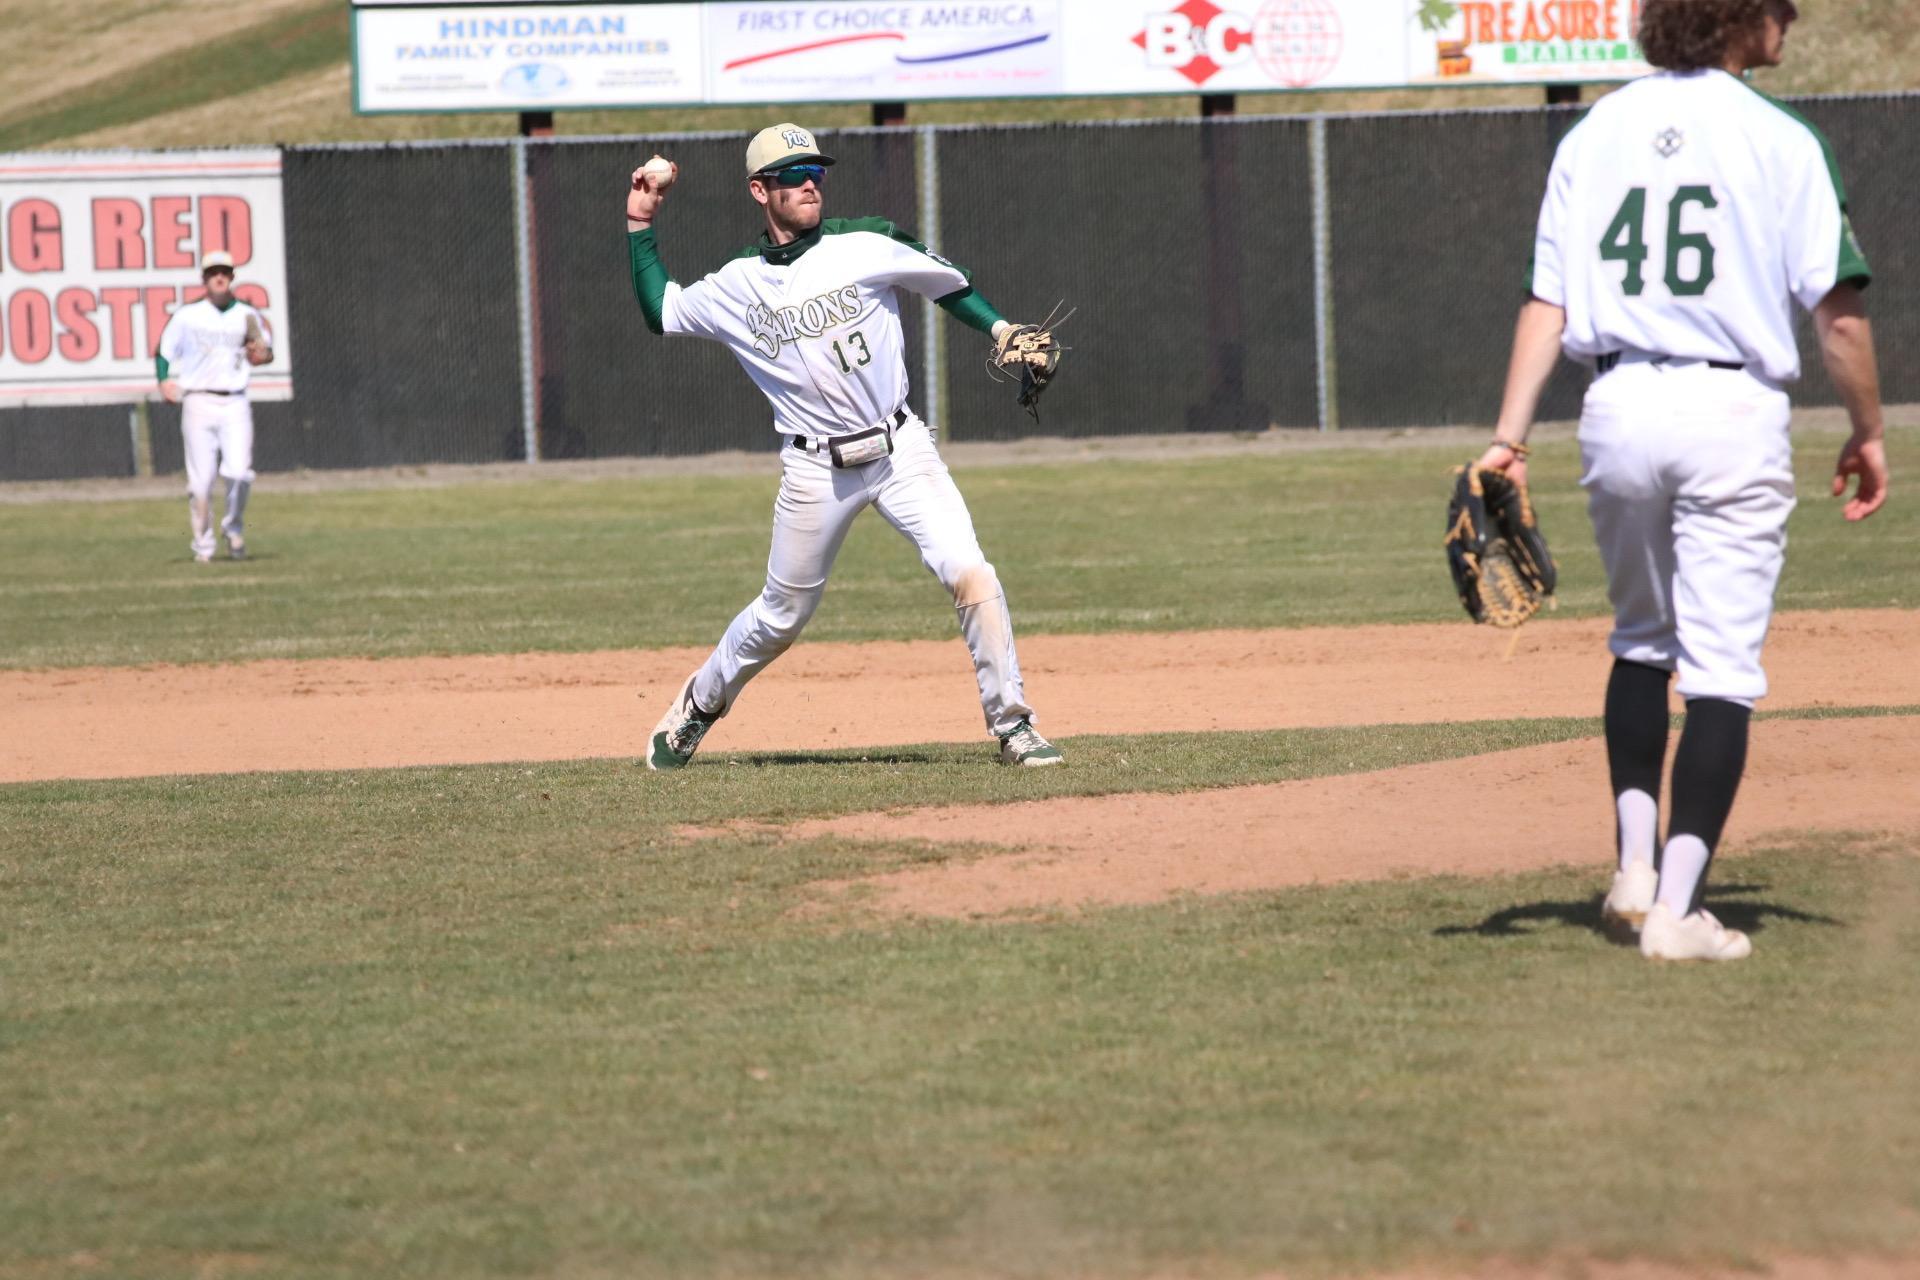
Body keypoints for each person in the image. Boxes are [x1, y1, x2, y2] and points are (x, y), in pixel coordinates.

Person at [1477, 0, 1889, 961]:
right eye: (1777, 8)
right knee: (1722, 673)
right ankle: (1679, 910)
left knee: (1641, 641)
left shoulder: (1594, 130)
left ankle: (1632, 870)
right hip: (1728, 411)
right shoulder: (1781, 137)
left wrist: (1509, 436)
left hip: (1615, 408)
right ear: (1738, 22)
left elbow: (1550, 299)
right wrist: (1868, 429)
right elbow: (1837, 316)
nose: (1789, 20)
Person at [625, 123, 1064, 770]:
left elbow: (948, 282)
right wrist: (640, 221)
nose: (809, 183)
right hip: (813, 469)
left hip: (899, 449)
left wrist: (999, 327)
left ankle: (1013, 725)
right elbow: (660, 308)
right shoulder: (736, 286)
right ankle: (699, 704)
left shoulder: (866, 241)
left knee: (971, 572)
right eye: (793, 175)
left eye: (817, 173)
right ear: (759, 190)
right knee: (780, 618)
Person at [156, 250, 274, 562]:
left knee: (239, 472)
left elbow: (264, 352)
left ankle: (233, 528)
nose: (219, 277)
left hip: (235, 400)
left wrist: (260, 354)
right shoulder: (188, 315)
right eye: (213, 272)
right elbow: (164, 351)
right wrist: (164, 380)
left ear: (232, 277)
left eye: (224, 272)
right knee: (201, 482)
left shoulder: (247, 315)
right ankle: (203, 546)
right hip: (198, 399)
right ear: (204, 278)